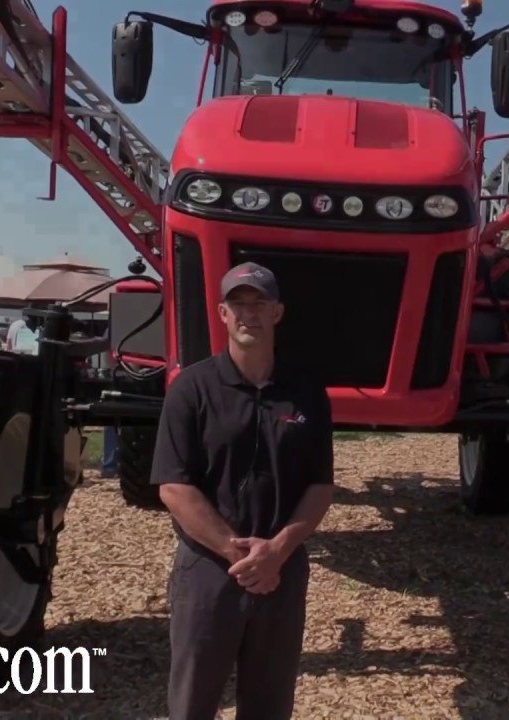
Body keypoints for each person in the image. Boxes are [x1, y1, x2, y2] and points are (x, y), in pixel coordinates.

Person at [150, 262, 334, 720]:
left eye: (259, 303)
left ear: (277, 312)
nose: (248, 313)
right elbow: (174, 486)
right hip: (209, 570)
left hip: (282, 570)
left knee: (269, 706)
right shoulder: (191, 389)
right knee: (192, 704)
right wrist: (242, 556)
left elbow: (320, 486)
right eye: (238, 304)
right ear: (222, 314)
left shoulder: (307, 392)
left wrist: (277, 551)